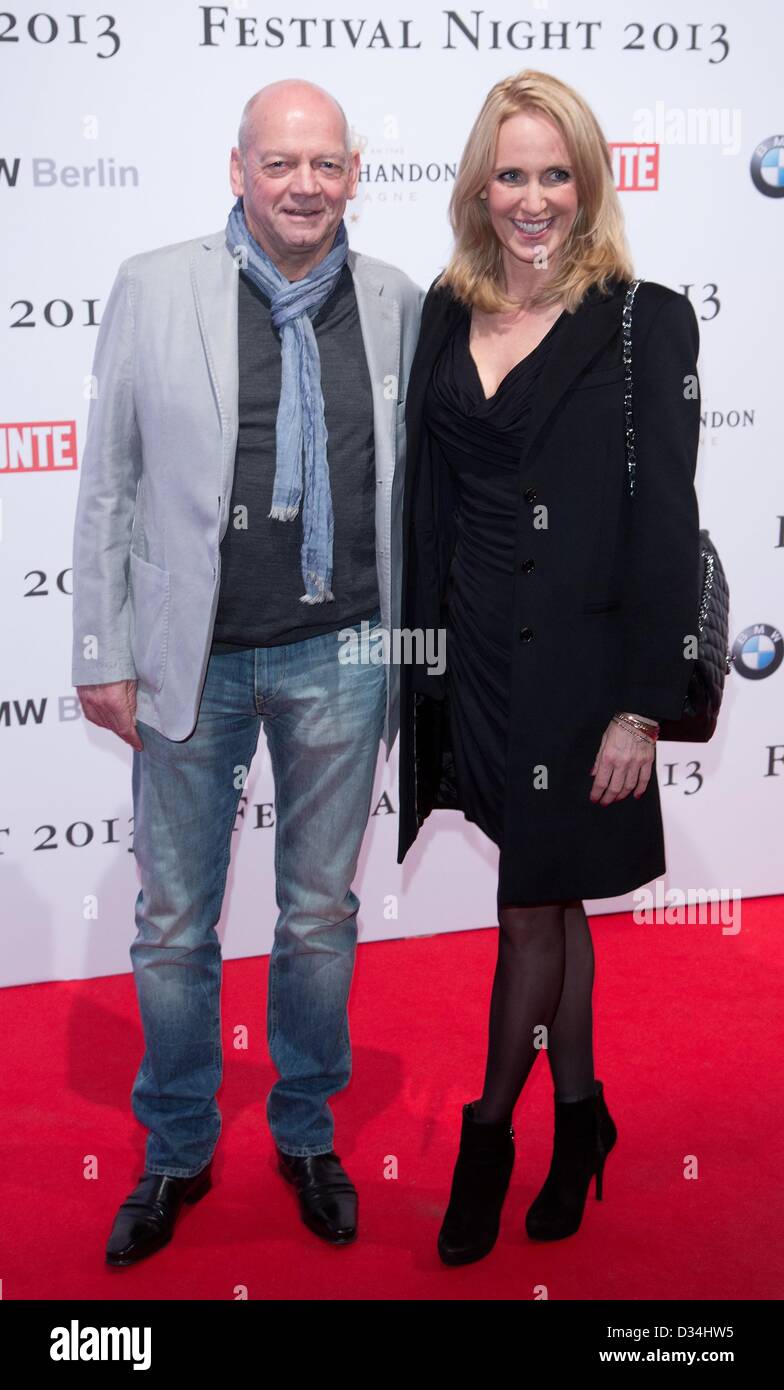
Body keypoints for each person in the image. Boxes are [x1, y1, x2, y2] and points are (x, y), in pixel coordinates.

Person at [71, 78, 423, 1265]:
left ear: (354, 173)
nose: (303, 184)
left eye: (325, 163)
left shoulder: (395, 303)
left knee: (318, 915)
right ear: (237, 169)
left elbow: (419, 489)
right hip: (192, 658)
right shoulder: (153, 286)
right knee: (173, 925)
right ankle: (174, 1149)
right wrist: (102, 646)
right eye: (281, 162)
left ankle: (307, 1130)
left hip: (345, 651)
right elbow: (108, 485)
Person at [397, 69, 701, 1264]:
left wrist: (641, 704)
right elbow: (426, 497)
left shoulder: (642, 320)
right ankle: (584, 1119)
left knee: (526, 907)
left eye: (554, 174)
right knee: (552, 890)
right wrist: (417, 666)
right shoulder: (441, 308)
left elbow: (664, 523)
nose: (531, 200)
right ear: (480, 185)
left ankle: (488, 1133)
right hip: (469, 651)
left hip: (578, 672)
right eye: (509, 173)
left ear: (589, 181)